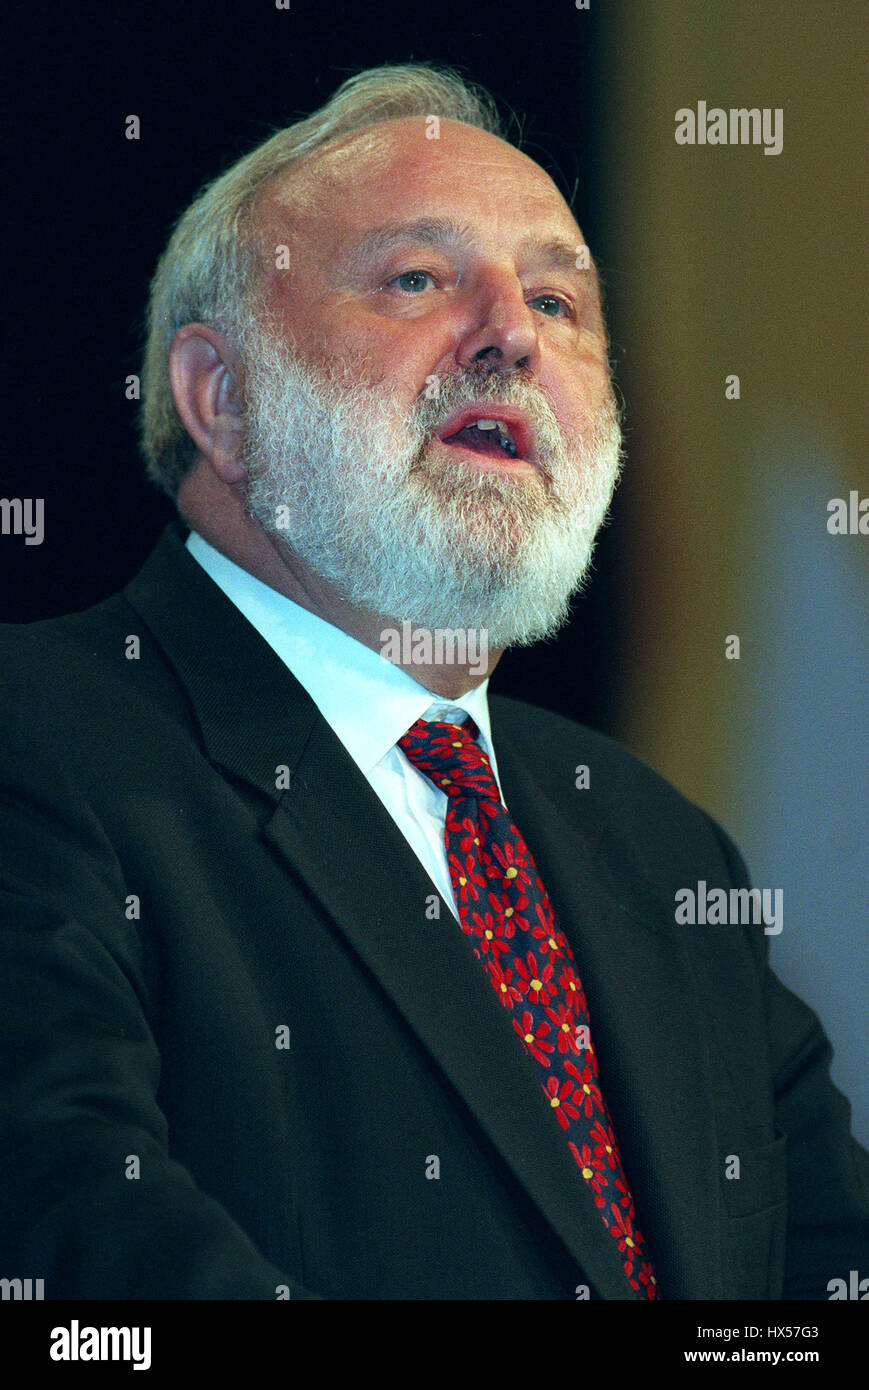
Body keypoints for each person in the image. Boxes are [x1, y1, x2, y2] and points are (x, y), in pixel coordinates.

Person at [1, 64, 866, 1302]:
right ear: (221, 399)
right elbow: (78, 1252)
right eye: (416, 278)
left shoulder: (661, 854)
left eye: (561, 300)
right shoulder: (39, 740)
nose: (513, 332)